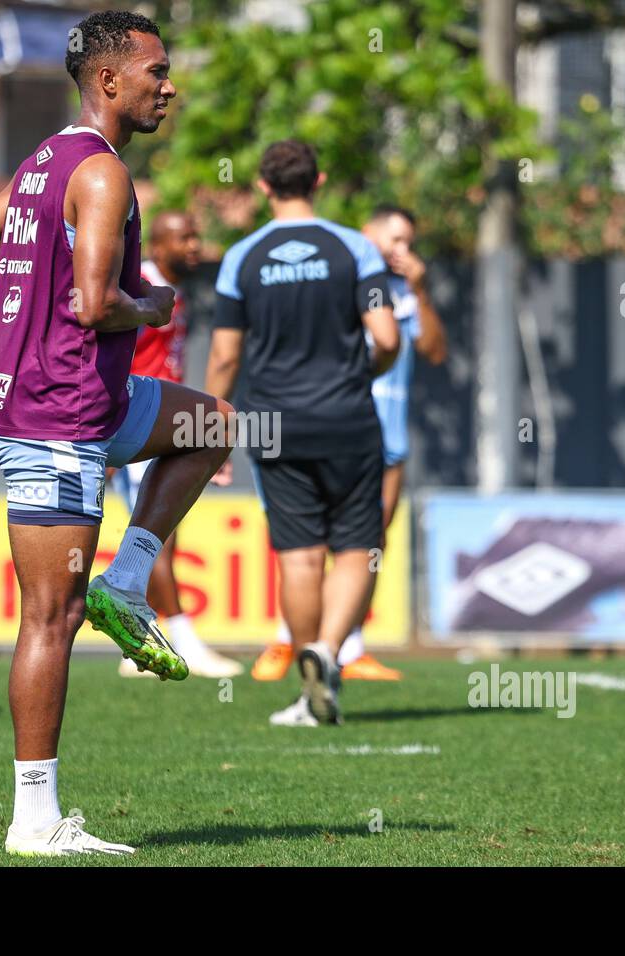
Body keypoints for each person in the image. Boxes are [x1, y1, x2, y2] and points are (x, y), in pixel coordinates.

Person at [0, 10, 232, 855]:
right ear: (109, 80)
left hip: (91, 402)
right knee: (49, 619)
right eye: (157, 72)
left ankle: (130, 582)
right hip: (54, 418)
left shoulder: (44, 161)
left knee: (211, 421)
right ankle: (34, 821)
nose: (168, 86)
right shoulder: (100, 175)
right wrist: (155, 304)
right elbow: (97, 305)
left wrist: (40, 294)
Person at [205, 140, 399, 727]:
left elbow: (223, 355)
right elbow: (387, 337)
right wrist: (359, 375)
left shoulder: (242, 257)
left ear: (264, 187)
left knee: (298, 556)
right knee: (358, 548)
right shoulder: (356, 249)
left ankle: (307, 671)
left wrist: (216, 429)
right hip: (348, 418)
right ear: (319, 179)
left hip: (271, 422)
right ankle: (328, 653)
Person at [249, 204, 446, 683]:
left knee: (367, 542)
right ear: (367, 234)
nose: (402, 251)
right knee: (304, 542)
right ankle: (289, 638)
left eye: (408, 243)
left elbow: (436, 351)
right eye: (394, 239)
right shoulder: (335, 279)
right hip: (334, 423)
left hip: (388, 436)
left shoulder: (399, 292)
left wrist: (419, 288)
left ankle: (346, 646)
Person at [112, 210, 243, 679]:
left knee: (160, 533)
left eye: (196, 235)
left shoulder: (171, 289)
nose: (194, 245)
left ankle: (136, 645)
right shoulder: (139, 284)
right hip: (138, 421)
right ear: (158, 242)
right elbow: (116, 350)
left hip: (166, 419)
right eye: (184, 237)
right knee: (155, 539)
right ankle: (179, 636)